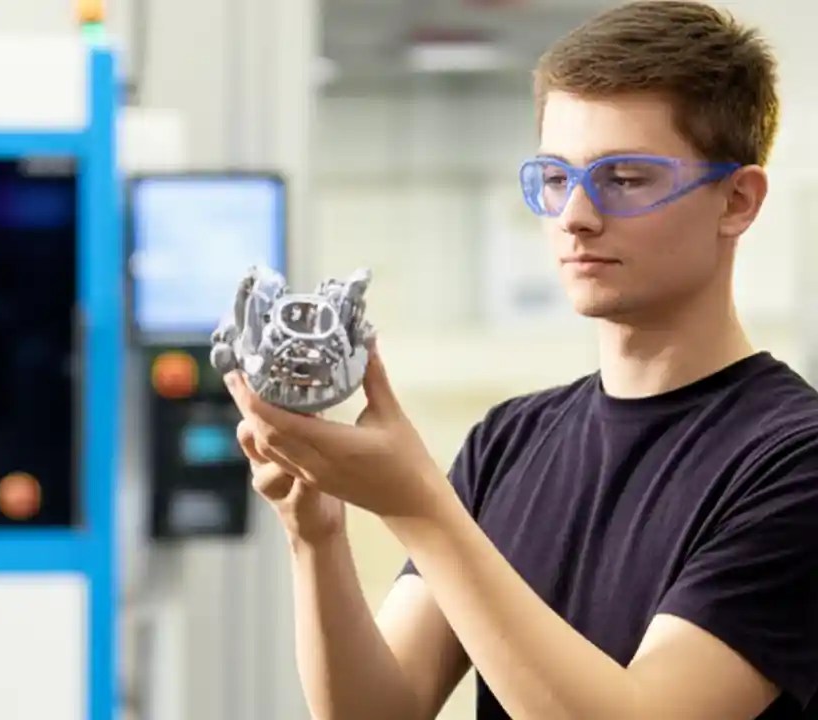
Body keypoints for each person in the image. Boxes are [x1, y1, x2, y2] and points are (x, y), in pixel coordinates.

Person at [223, 2, 818, 719]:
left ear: (737, 200)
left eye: (625, 178)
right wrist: (315, 533)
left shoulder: (794, 463)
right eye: (557, 177)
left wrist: (418, 507)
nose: (575, 215)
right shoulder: (511, 441)